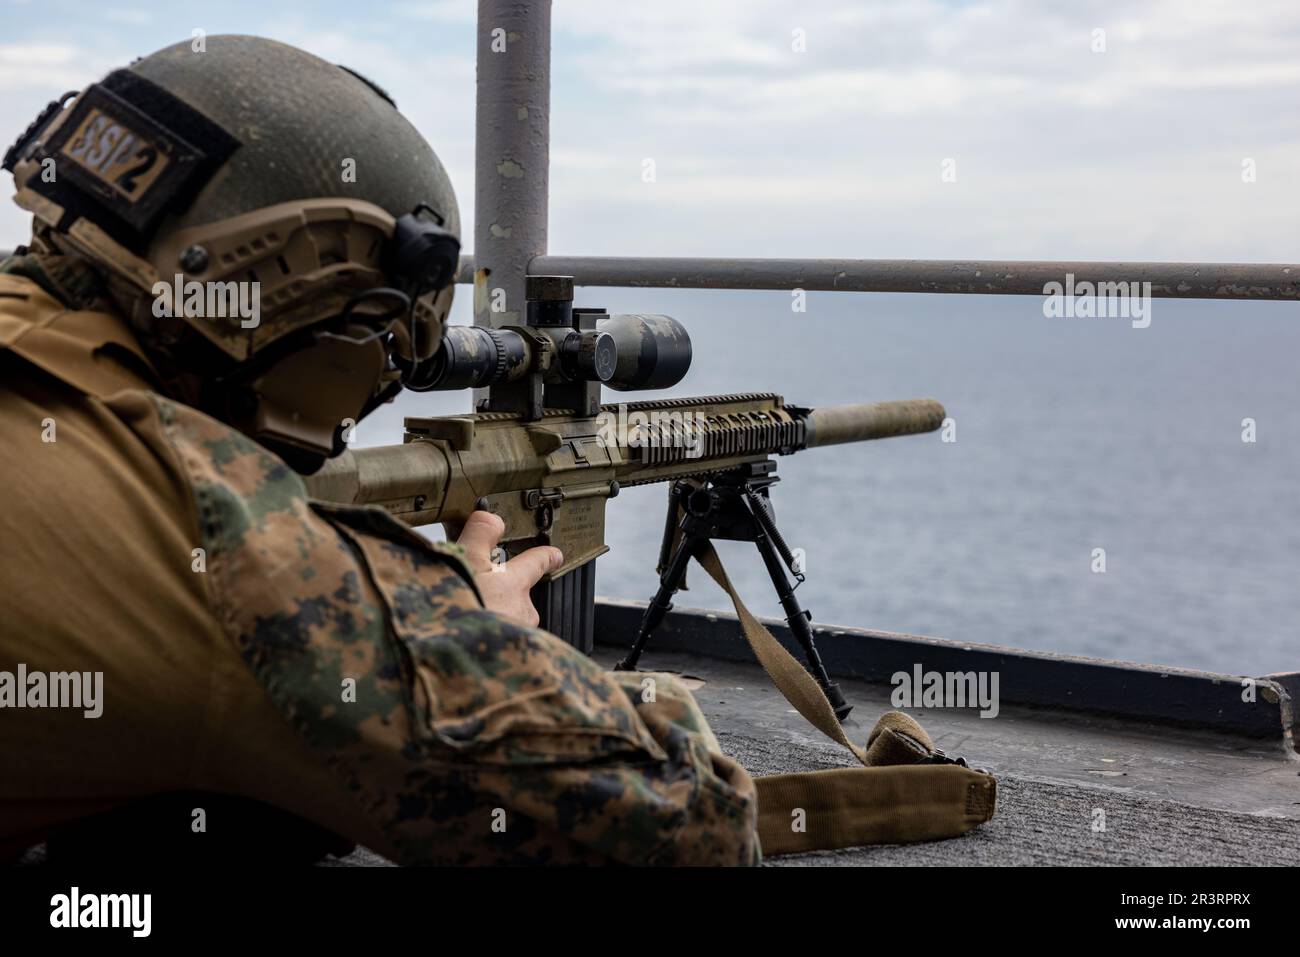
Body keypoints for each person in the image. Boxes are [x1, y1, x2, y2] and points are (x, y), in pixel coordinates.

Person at [0, 35, 759, 865]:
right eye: (389, 344)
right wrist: (477, 632)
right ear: (311, 301)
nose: (385, 383)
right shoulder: (228, 555)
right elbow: (694, 824)